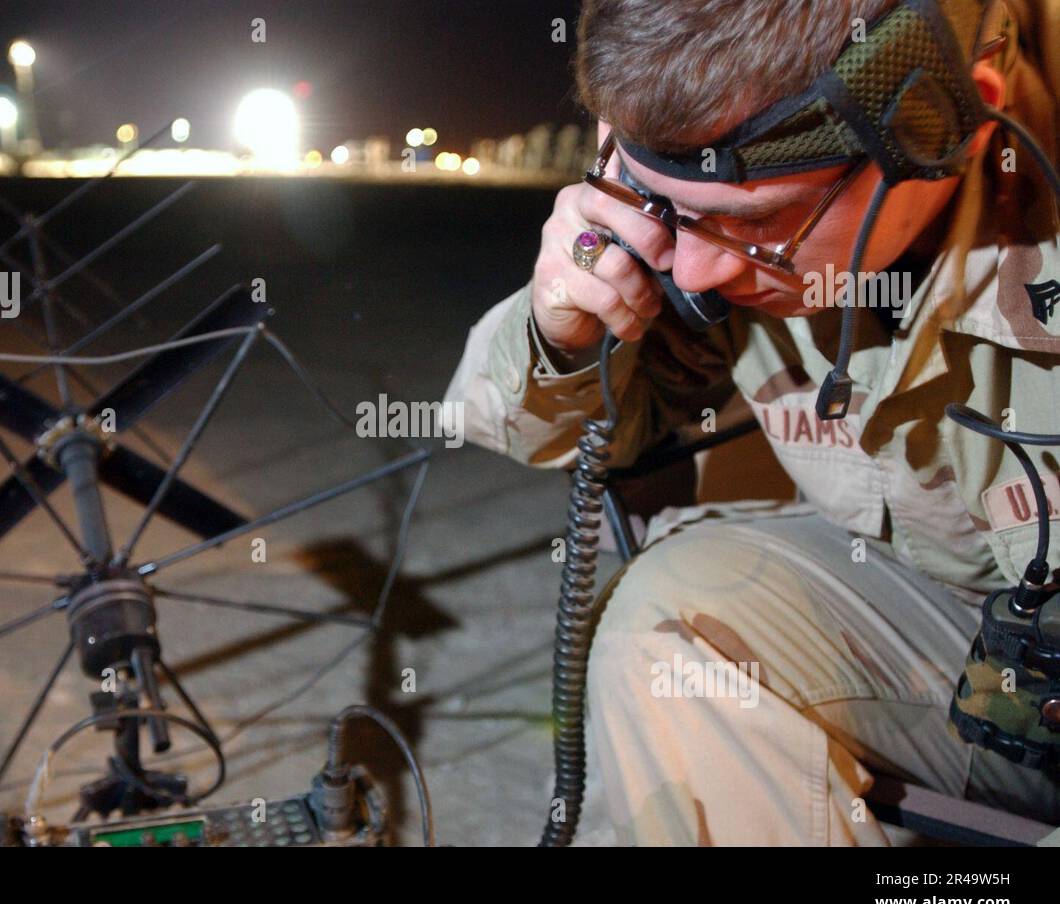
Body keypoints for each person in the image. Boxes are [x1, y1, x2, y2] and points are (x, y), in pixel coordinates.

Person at [445, 0, 1060, 844]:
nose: (693, 270)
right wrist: (563, 329)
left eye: (754, 221)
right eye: (663, 207)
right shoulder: (723, 239)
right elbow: (522, 424)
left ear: (945, 120)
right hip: (979, 662)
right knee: (674, 621)